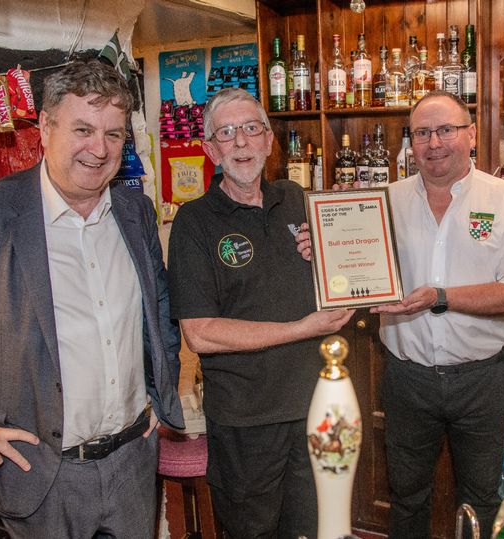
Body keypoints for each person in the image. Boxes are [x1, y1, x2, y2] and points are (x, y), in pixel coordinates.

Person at [0, 59, 184, 537]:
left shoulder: (135, 211)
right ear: (44, 127)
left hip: (132, 464)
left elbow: (158, 311)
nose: (99, 149)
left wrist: (157, 394)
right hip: (40, 476)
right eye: (83, 129)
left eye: (114, 134)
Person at [296, 91, 504, 537]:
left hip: (481, 378)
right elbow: (353, 264)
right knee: (406, 497)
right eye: (422, 133)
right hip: (407, 378)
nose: (434, 142)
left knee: (481, 499)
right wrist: (324, 248)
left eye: (446, 130)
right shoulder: (384, 201)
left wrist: (439, 297)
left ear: (471, 135)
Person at [167, 87, 353, 538]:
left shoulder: (297, 199)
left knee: (315, 528)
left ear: (270, 140)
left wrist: (330, 259)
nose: (241, 141)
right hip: (245, 423)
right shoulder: (194, 222)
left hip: (316, 409)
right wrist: (301, 328)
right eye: (226, 133)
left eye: (252, 128)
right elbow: (201, 333)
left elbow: (340, 282)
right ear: (210, 149)